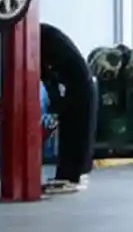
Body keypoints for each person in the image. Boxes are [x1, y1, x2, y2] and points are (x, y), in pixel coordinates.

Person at [40, 23, 97, 195]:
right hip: (73, 84)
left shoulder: (39, 37)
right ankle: (66, 174)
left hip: (80, 85)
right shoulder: (45, 34)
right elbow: (47, 75)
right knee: (68, 131)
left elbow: (46, 75)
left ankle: (76, 176)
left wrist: (55, 102)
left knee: (78, 131)